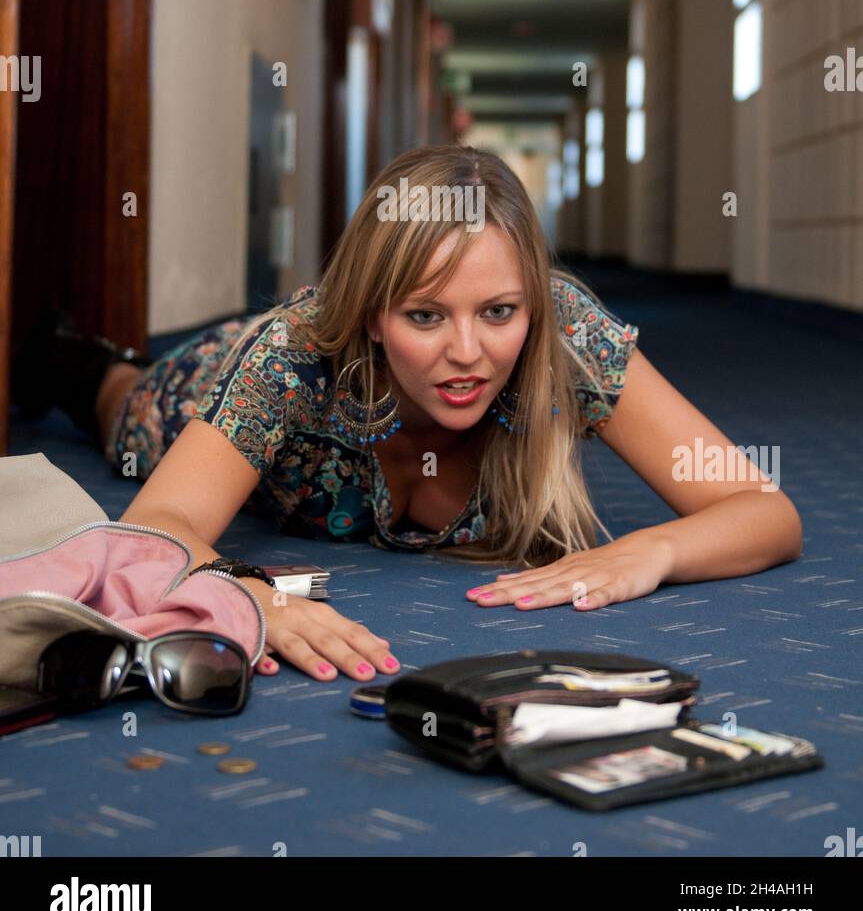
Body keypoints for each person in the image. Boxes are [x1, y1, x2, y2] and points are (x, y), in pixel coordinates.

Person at [12, 144, 803, 687]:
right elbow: (161, 523)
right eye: (424, 316)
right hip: (199, 382)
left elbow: (761, 509)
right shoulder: (295, 349)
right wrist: (250, 591)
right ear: (370, 314)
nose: (468, 352)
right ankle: (72, 357)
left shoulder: (566, 331)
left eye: (498, 311)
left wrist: (654, 549)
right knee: (123, 407)